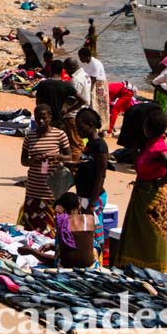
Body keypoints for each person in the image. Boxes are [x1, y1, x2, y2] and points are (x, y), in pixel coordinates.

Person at [115, 106, 167, 271]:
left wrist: (159, 183)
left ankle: (156, 269)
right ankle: (136, 265)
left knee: (152, 235)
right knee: (137, 232)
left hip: (153, 197)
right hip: (141, 194)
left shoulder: (158, 148)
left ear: (148, 129)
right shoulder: (148, 145)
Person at [21, 104, 71, 234]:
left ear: (50, 117)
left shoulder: (60, 135)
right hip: (33, 190)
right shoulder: (29, 136)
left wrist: (57, 156)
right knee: (32, 230)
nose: (41, 121)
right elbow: (23, 161)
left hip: (52, 191)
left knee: (52, 230)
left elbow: (69, 156)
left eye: (44, 118)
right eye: (38, 118)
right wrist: (34, 160)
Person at [16, 193, 97, 269]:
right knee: (94, 247)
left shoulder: (62, 221)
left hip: (66, 267)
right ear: (79, 205)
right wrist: (53, 247)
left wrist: (32, 251)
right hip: (90, 265)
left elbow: (57, 259)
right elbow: (79, 245)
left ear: (62, 207)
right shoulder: (89, 218)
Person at [73, 107, 108, 263]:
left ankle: (97, 262)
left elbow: (101, 174)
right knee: (83, 229)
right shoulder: (89, 145)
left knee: (93, 232)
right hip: (84, 195)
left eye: (81, 127)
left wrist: (92, 204)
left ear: (91, 125)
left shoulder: (100, 146)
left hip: (94, 197)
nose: (78, 131)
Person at [79, 47, 109, 131]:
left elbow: (93, 79)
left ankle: (101, 128)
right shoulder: (86, 63)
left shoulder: (95, 63)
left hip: (98, 85)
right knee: (92, 105)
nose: (80, 59)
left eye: (81, 57)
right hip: (91, 83)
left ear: (86, 56)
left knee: (99, 107)